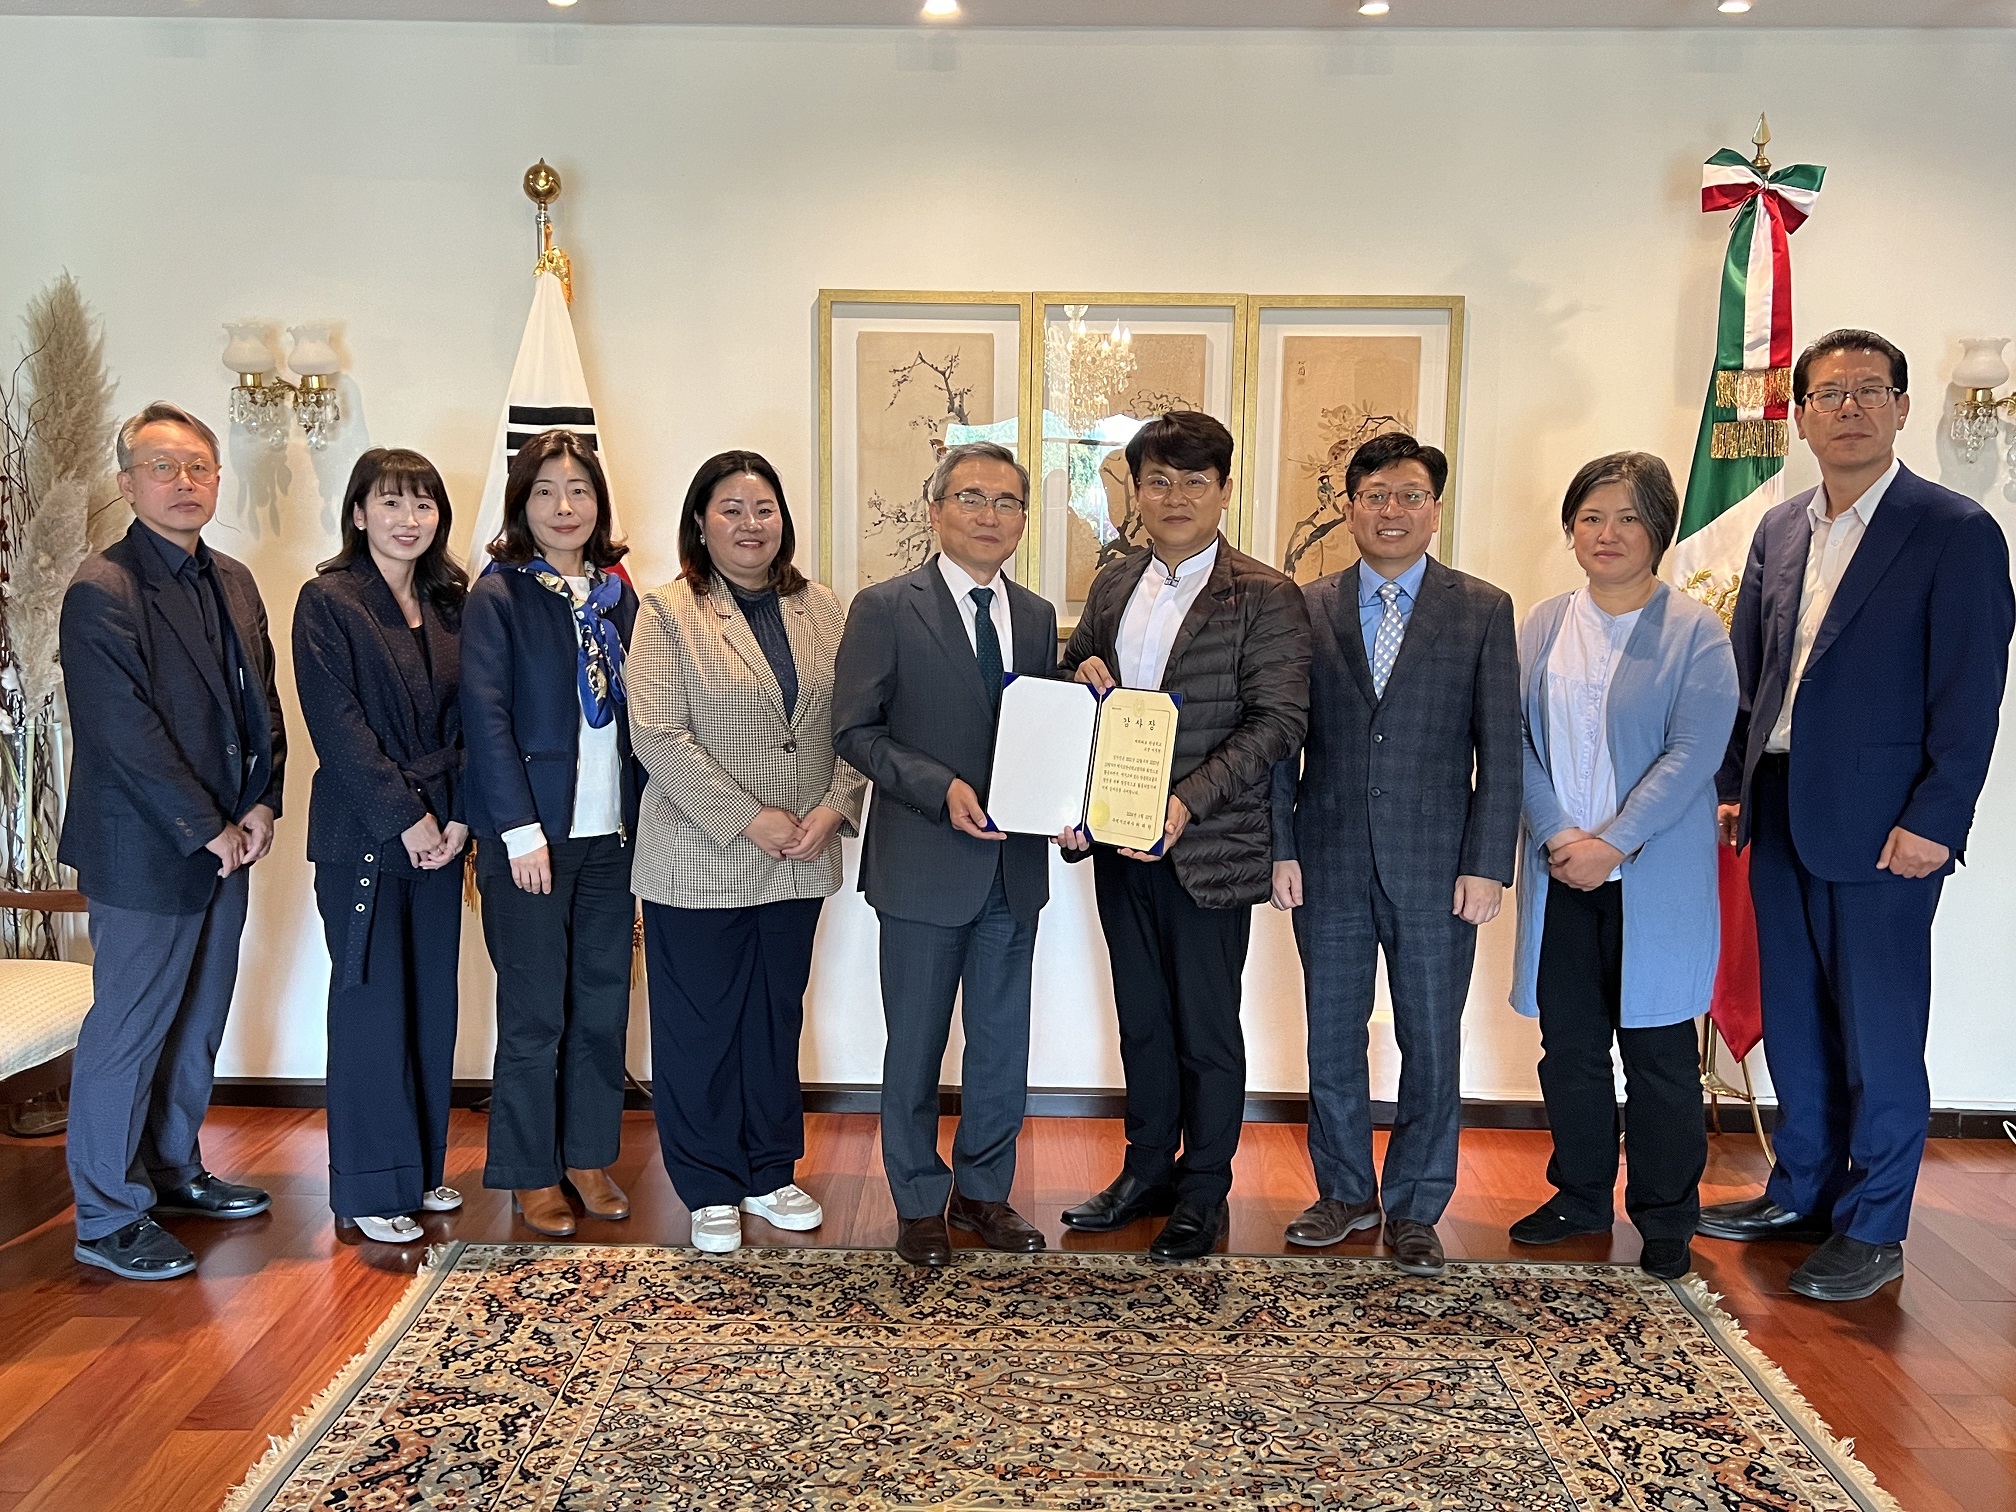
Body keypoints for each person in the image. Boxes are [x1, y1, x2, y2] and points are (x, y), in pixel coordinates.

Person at [1702, 329, 2015, 1302]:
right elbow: (1752, 676)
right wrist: (1731, 784)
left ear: (1901, 408)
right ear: (1798, 415)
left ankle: (1875, 1225)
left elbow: (1970, 695)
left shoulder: (1953, 530)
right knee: (1795, 1020)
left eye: (1868, 390)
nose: (1848, 406)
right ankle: (1802, 1189)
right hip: (1783, 805)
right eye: (1828, 393)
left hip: (1888, 827)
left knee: (1879, 1030)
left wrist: (1936, 818)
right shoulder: (1783, 528)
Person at [1060, 410, 1311, 1263]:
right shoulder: (1112, 583)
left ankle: (1203, 1187)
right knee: (1141, 1019)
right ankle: (1144, 1170)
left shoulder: (1264, 593)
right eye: (1157, 480)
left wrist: (1186, 803)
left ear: (1225, 491)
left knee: (1206, 1026)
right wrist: (1078, 670)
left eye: (1194, 481)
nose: (1174, 497)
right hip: (1116, 840)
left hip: (1206, 848)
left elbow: (1278, 722)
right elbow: (1079, 687)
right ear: (1135, 490)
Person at [1268, 430, 1518, 1277]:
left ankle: (1416, 1204)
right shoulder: (1305, 606)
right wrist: (1281, 844)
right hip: (1328, 857)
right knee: (1331, 1036)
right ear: (1348, 507)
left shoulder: (1482, 608)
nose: (1392, 510)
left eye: (1410, 495)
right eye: (1375, 495)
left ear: (1435, 510)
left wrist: (1488, 863)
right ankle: (1344, 1191)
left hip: (1439, 867)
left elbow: (1501, 750)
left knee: (1430, 1039)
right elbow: (1281, 739)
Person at [58, 402, 287, 1280]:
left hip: (234, 840)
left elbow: (260, 703)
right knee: (130, 1026)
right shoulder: (101, 589)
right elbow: (124, 732)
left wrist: (261, 803)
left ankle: (170, 1170)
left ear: (216, 478)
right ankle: (108, 1216)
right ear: (127, 484)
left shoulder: (230, 578)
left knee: (196, 1021)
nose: (184, 483)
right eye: (163, 467)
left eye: (198, 467)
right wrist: (207, 830)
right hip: (148, 850)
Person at [628, 451, 865, 1256]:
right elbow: (657, 732)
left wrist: (835, 806)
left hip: (802, 850)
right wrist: (747, 816)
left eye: (762, 507)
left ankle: (768, 1168)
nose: (749, 524)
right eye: (730, 508)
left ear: (783, 519)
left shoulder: (823, 607)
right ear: (701, 520)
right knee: (700, 1024)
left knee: (772, 1016)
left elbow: (857, 720)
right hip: (701, 851)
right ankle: (707, 1183)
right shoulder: (667, 611)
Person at [1508, 453, 1737, 1281]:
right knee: (1569, 1047)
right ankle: (1578, 1194)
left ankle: (1668, 1214)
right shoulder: (1540, 624)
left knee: (1658, 1054)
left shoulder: (1695, 631)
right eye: (1591, 516)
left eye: (1628, 517)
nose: (1607, 534)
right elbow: (1519, 744)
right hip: (1559, 867)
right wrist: (1561, 834)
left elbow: (1693, 752)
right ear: (1570, 528)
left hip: (1653, 879)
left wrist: (1613, 841)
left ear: (1659, 532)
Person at [832, 441, 1059, 1268]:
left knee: (1002, 1045)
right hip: (924, 863)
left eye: (1007, 502)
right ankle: (919, 1201)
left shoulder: (1034, 617)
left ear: (1023, 520)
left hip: (1015, 869)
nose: (990, 515)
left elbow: (1047, 733)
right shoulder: (886, 607)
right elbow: (855, 731)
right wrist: (940, 787)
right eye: (971, 498)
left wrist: (1071, 804)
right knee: (918, 1043)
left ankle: (985, 1194)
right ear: (935, 511)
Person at [462, 428, 641, 1239]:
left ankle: (586, 1155)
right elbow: (485, 720)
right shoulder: (499, 593)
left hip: (614, 838)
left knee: (601, 1007)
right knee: (535, 1015)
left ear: (598, 502)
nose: (563, 506)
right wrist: (517, 831)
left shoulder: (617, 594)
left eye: (578, 490)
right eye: (545, 491)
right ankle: (531, 1172)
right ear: (521, 504)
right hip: (533, 838)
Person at [294, 448, 470, 1245]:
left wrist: (460, 815)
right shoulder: (328, 601)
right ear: (359, 513)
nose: (410, 519)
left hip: (446, 831)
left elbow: (476, 720)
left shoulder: (453, 599)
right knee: (371, 1004)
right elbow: (339, 730)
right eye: (392, 503)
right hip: (365, 832)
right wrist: (409, 817)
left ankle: (420, 1167)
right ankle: (369, 1184)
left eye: (424, 504)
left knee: (432, 1001)